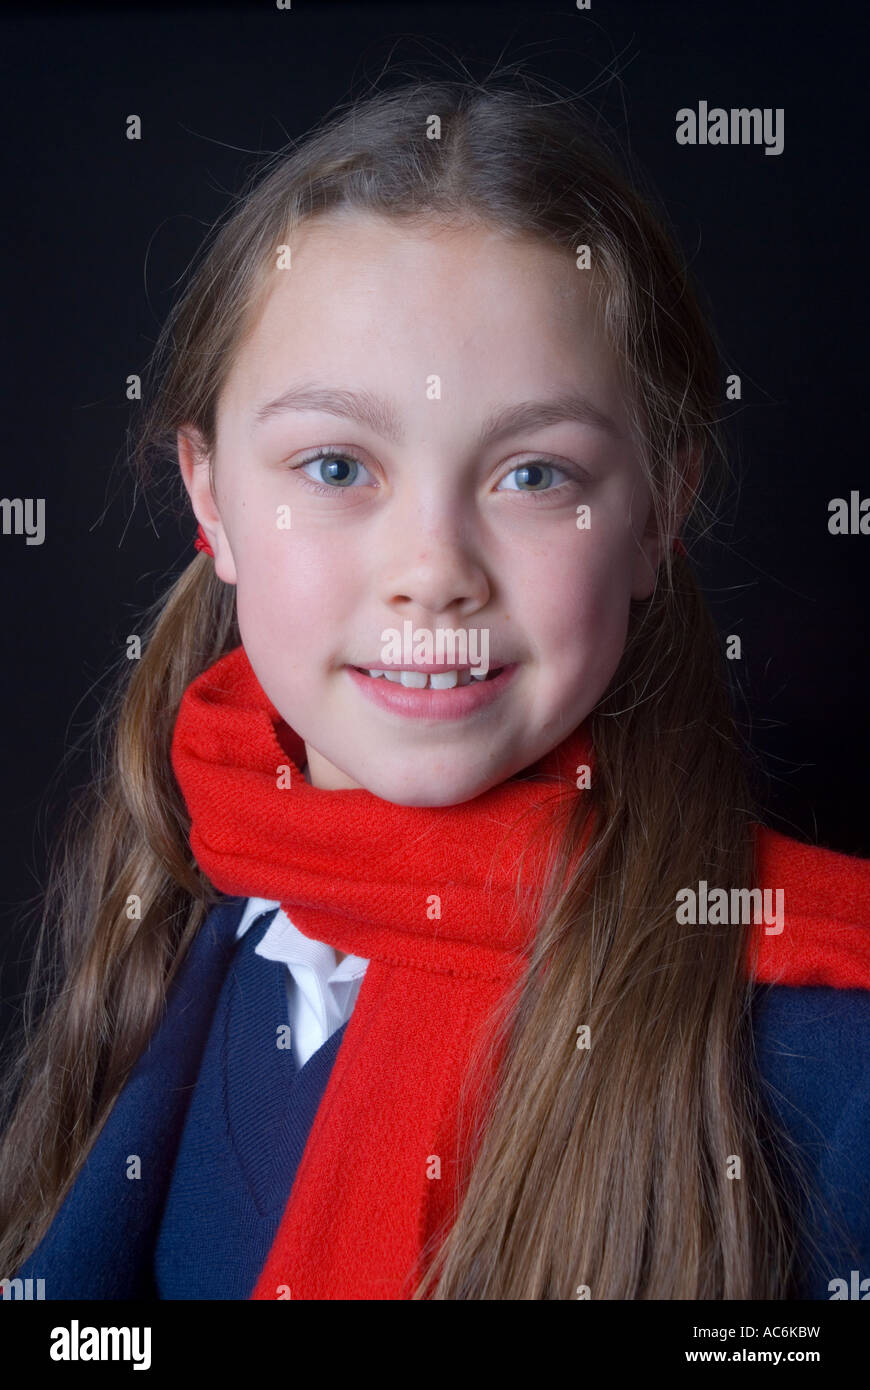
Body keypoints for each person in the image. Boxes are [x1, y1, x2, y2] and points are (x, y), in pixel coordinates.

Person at [2, 74, 869, 1302]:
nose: (433, 573)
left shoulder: (828, 1064)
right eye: (338, 463)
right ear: (211, 497)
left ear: (657, 511)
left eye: (532, 474)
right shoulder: (164, 903)